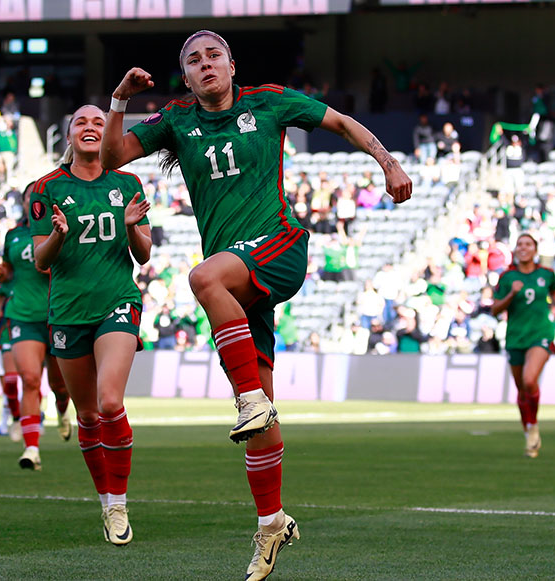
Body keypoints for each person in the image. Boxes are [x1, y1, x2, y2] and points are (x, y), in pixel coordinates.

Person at [99, 30, 412, 579]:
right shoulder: (176, 119)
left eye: (212, 55)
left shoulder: (268, 101)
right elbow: (113, 156)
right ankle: (271, 522)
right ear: (187, 77)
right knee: (262, 417)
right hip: (237, 281)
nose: (204, 65)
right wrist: (119, 101)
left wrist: (387, 163)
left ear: (230, 64)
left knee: (201, 279)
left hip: (278, 246)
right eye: (192, 61)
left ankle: (249, 399)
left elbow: (339, 122)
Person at [33, 104, 152, 545]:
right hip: (67, 311)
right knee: (85, 415)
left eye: (98, 122)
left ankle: (119, 502)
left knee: (108, 402)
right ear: (68, 137)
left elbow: (144, 255)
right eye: (80, 122)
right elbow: (42, 261)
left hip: (117, 303)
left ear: (107, 136)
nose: (89, 127)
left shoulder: (128, 182)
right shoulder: (45, 189)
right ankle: (105, 502)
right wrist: (58, 236)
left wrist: (131, 228)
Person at [0, 216, 71, 470]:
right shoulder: (13, 235)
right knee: (29, 379)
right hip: (23, 315)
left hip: (57, 314)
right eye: (29, 196)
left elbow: (75, 267)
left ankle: (62, 409)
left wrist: (51, 266)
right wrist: (3, 276)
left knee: (60, 386)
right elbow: (8, 272)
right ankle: (31, 448)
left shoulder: (62, 228)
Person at [491, 233, 555, 459]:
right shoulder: (507, 277)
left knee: (529, 380)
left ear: (535, 249)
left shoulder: (547, 274)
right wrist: (512, 294)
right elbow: (495, 310)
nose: (524, 248)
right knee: (522, 391)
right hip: (516, 336)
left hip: (541, 333)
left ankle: (532, 426)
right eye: (520, 244)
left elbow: (553, 293)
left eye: (528, 244)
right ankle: (528, 431)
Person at [0, 280, 22, 440]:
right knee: (9, 382)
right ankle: (10, 420)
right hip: (5, 336)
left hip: (30, 334)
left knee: (31, 380)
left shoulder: (29, 281)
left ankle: (32, 417)